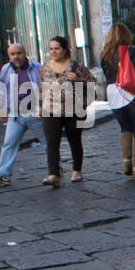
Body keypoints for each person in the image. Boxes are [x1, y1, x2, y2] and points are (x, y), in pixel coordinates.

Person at [38, 36, 96, 186]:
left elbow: (91, 82)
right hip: (50, 109)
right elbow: (41, 87)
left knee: (74, 140)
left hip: (73, 109)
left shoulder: (76, 66)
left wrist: (76, 79)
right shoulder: (45, 67)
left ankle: (77, 169)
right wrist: (39, 106)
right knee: (52, 142)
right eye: (51, 49)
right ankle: (54, 174)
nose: (53, 51)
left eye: (57, 48)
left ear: (64, 49)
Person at [101, 22, 135, 180]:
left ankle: (126, 162)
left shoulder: (104, 54)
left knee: (124, 128)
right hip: (131, 92)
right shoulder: (131, 51)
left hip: (113, 93)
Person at [0, 42, 41, 185]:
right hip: (15, 114)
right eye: (13, 54)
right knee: (9, 143)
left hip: (36, 113)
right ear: (9, 55)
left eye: (19, 53)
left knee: (49, 142)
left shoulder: (37, 68)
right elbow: (1, 89)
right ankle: (3, 174)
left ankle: (56, 168)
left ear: (25, 53)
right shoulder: (6, 69)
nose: (16, 56)